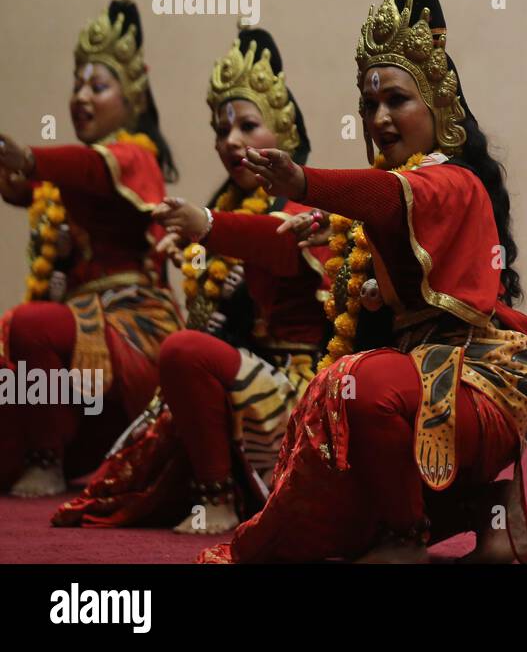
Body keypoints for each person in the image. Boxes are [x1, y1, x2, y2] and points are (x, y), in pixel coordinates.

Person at [198, 0, 527, 563]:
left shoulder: (451, 182)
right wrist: (205, 224)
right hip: (404, 383)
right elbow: (294, 242)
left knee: (357, 383)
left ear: (438, 107)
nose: (381, 118)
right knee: (338, 428)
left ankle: (404, 538)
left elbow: (390, 198)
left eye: (397, 100)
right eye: (370, 104)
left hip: (470, 383)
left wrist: (303, 180)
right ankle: (492, 512)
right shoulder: (363, 203)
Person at [53, 28, 329, 534]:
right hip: (244, 377)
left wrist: (209, 228)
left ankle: (219, 499)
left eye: (247, 126)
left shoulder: (304, 207)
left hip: (301, 389)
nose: (231, 143)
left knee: (183, 352)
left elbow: (278, 244)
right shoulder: (223, 209)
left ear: (285, 136)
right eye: (221, 131)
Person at [0, 0, 182, 497]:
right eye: (77, 84)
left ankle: (46, 460)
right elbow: (17, 187)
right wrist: (17, 166)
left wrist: (32, 157)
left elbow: (92, 169)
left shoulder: (134, 156)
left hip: (131, 324)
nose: (80, 96)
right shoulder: (64, 177)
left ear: (133, 101)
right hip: (80, 327)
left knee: (30, 324)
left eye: (97, 87)